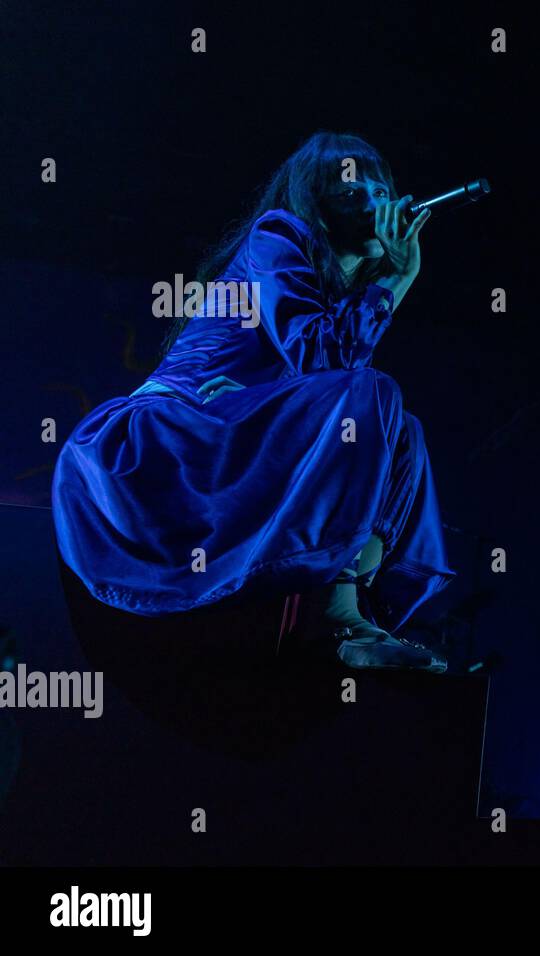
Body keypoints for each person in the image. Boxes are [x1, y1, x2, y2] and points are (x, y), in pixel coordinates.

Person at [51, 131, 455, 670]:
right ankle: (336, 616)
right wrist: (399, 279)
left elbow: (325, 385)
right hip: (168, 434)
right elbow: (323, 363)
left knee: (404, 428)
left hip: (229, 430)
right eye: (352, 194)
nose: (374, 204)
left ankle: (352, 613)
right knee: (375, 391)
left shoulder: (337, 293)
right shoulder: (278, 234)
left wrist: (265, 399)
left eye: (380, 193)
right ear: (317, 207)